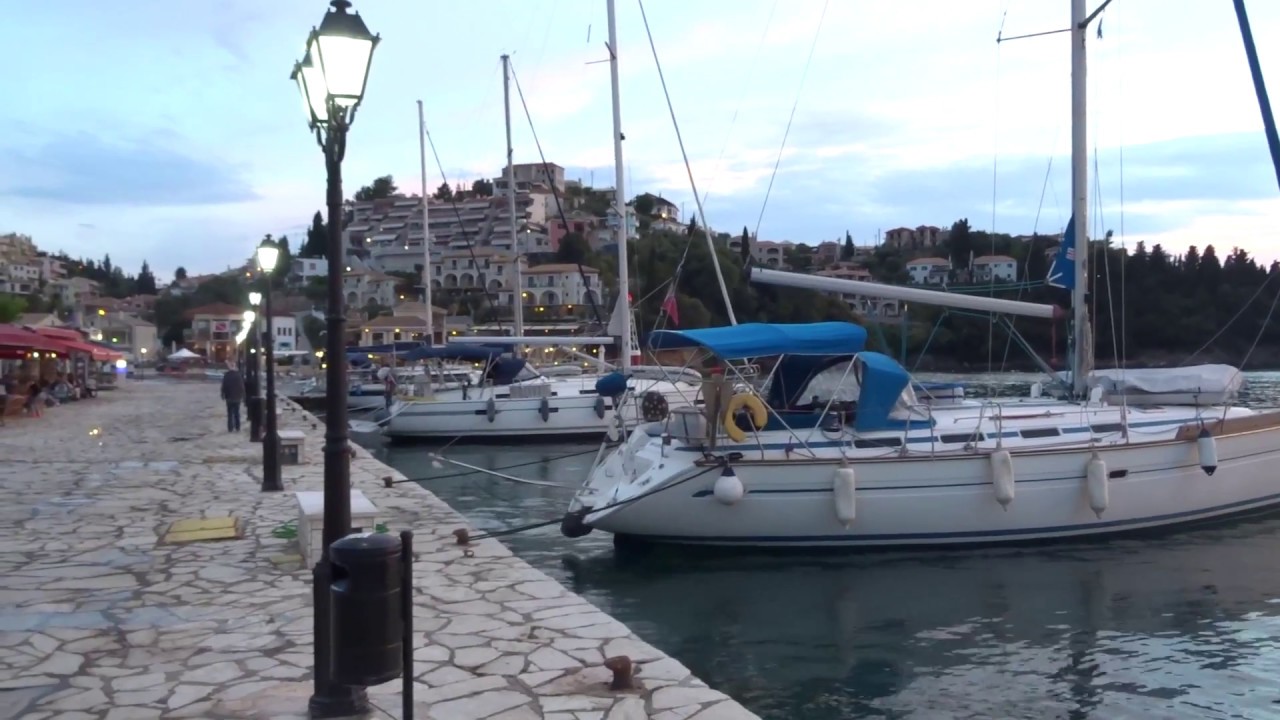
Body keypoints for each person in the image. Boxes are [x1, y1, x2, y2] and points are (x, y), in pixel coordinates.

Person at [220, 362, 246, 432]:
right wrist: (243, 396)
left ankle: (230, 428)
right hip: (237, 397)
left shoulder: (226, 375)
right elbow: (242, 387)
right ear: (235, 367)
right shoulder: (238, 375)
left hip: (229, 397)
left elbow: (224, 386)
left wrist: (223, 395)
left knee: (230, 413)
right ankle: (237, 427)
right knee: (237, 413)